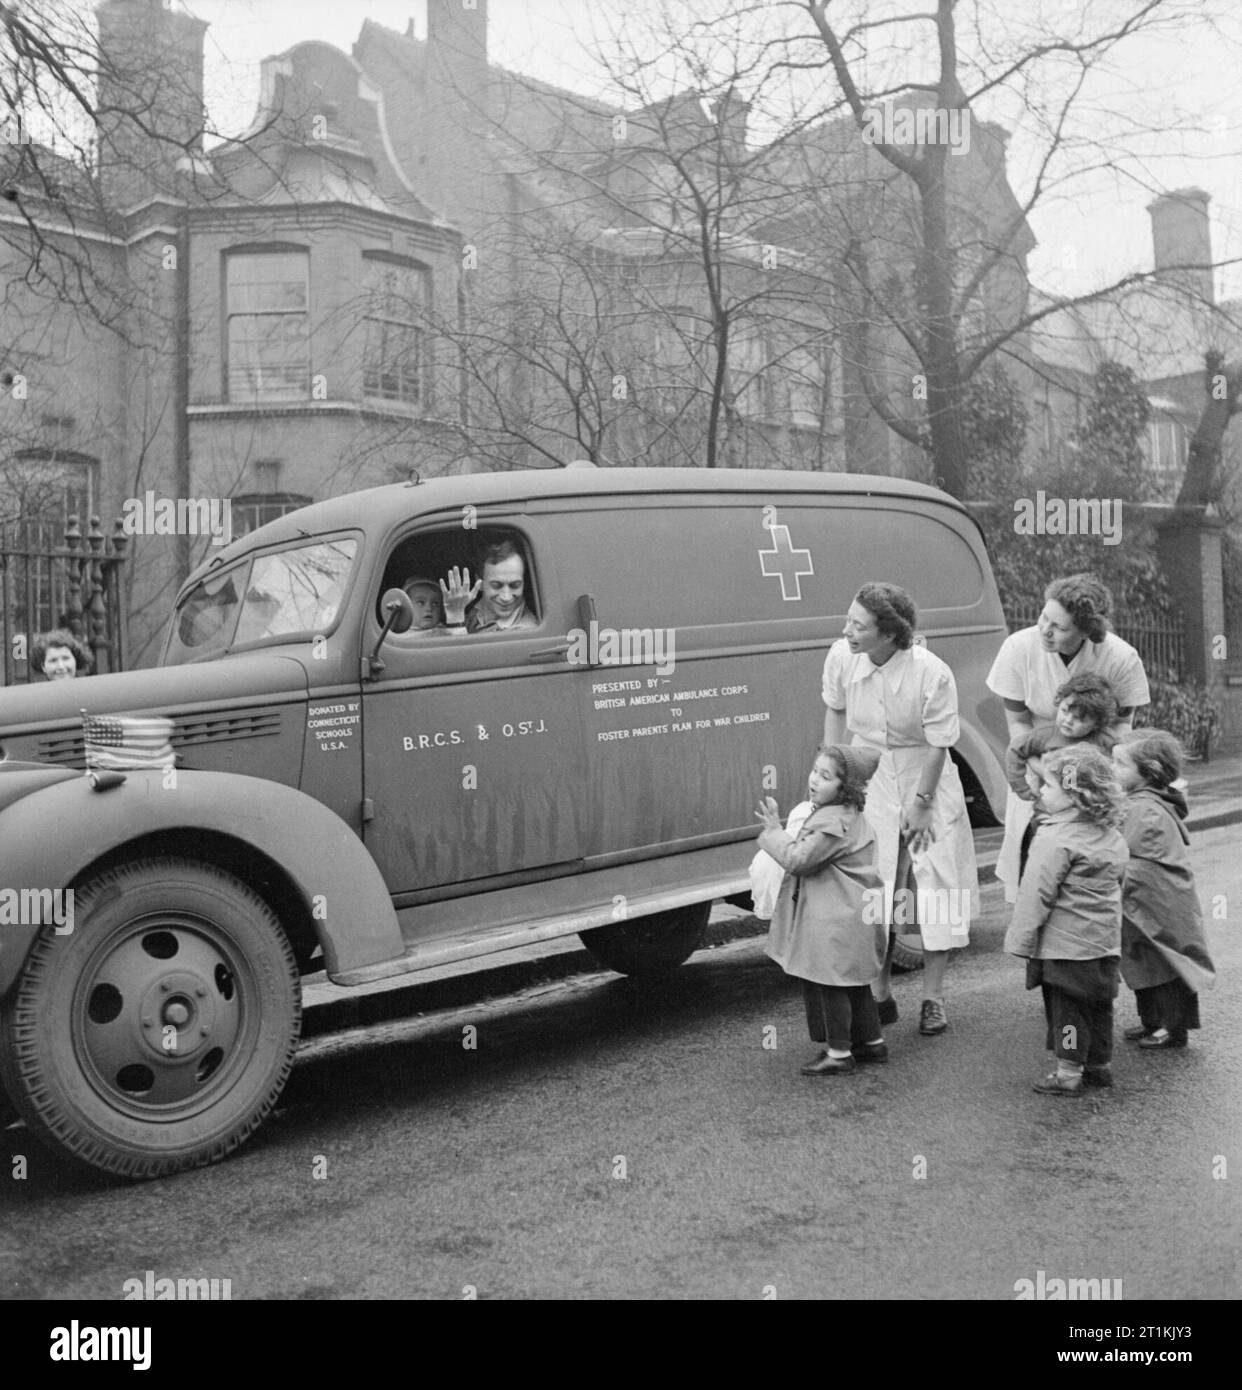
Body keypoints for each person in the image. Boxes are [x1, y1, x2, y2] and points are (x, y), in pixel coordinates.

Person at [822, 582, 977, 1037]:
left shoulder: (932, 673)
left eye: (859, 625)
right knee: (875, 880)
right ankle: (880, 993)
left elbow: (939, 743)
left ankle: (933, 997)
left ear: (890, 634)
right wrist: (833, 779)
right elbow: (834, 713)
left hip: (924, 773)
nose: (847, 630)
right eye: (849, 619)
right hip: (868, 770)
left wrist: (924, 805)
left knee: (935, 881)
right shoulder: (840, 657)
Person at [987, 573, 1149, 903]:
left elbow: (1121, 729)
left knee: (1089, 865)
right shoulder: (1019, 648)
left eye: (1059, 627)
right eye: (1044, 617)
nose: (1044, 630)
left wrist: (1088, 778)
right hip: (1037, 761)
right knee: (1034, 857)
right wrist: (1043, 770)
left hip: (1096, 768)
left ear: (1086, 632)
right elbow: (1017, 721)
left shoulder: (1120, 657)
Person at [1003, 745, 1128, 1096]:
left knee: (1067, 1012)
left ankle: (1068, 1071)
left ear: (1075, 796)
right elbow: (1120, 884)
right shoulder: (1112, 835)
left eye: (1049, 786)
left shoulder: (1055, 838)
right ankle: (1099, 1065)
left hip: (1065, 947)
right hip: (1103, 943)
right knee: (1099, 1006)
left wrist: (1021, 941)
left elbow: (1035, 894)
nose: (1041, 791)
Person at [756, 744, 886, 1075]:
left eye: (825, 776)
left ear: (846, 788)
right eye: (815, 771)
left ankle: (839, 1052)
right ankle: (872, 1042)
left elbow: (799, 859)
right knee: (854, 982)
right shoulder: (848, 816)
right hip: (850, 913)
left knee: (830, 982)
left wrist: (773, 833)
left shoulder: (832, 823)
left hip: (834, 918)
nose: (814, 780)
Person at [1112, 730, 1216, 1049]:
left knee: (1164, 963)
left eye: (1120, 763)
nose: (1112, 768)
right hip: (1143, 902)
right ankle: (1153, 1022)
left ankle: (1173, 1028)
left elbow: (1131, 856)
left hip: (1153, 904)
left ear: (1151, 771)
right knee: (1145, 961)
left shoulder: (1145, 808)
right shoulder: (1142, 802)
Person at [1006, 673, 1118, 881]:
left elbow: (1120, 765)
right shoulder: (1046, 734)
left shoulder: (1105, 741)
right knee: (1041, 866)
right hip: (1049, 817)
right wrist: (1020, 786)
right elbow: (1015, 750)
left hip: (1089, 818)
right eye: (1066, 711)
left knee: (1080, 868)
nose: (1068, 720)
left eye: (1080, 719)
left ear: (1096, 723)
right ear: (1059, 703)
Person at [440, 539, 538, 633]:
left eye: (514, 586)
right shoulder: (479, 609)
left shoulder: (526, 630)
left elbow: (465, 651)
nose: (506, 597)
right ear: (480, 583)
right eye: (496, 586)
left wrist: (456, 618)